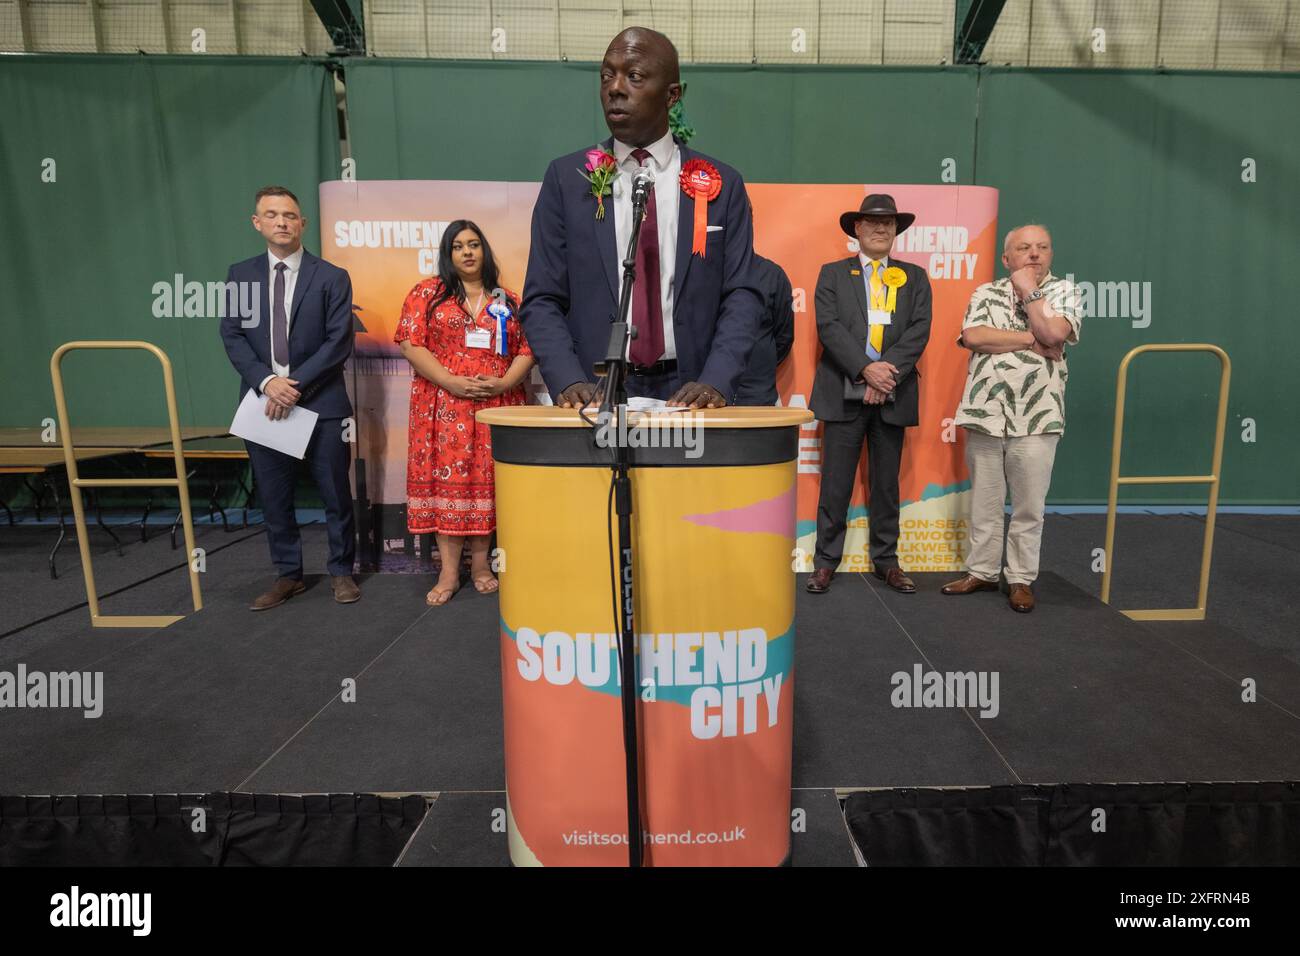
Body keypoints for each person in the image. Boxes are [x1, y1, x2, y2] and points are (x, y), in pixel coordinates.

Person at [522, 26, 762, 408]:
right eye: (606, 75)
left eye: (633, 76)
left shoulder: (722, 183)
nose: (615, 88)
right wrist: (568, 380)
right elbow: (541, 298)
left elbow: (744, 294)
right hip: (596, 393)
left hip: (690, 395)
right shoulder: (567, 179)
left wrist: (716, 380)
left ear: (672, 95)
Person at [221, 186, 359, 611]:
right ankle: (288, 575)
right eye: (272, 214)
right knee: (274, 496)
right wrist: (267, 382)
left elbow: (339, 342)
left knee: (336, 494)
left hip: (324, 405)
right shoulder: (239, 275)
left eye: (290, 215)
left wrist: (293, 385)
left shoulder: (332, 277)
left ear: (303, 223)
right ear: (256, 222)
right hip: (263, 406)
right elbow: (233, 335)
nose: (282, 221)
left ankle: (341, 572)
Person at [942, 224, 1082, 612]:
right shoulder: (985, 292)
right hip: (986, 413)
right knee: (985, 501)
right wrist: (1030, 341)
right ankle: (982, 571)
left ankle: (1020, 578)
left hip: (1038, 416)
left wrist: (1029, 291)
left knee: (1028, 507)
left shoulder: (1065, 292)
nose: (1034, 254)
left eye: (1042, 247)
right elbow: (973, 336)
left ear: (1051, 254)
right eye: (1024, 248)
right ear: (1007, 258)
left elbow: (1054, 332)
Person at [394, 221, 534, 606]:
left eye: (474, 245)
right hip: (442, 406)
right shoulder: (428, 292)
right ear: (448, 253)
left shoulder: (508, 299)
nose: (468, 252)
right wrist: (450, 380)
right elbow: (409, 342)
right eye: (458, 246)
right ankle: (449, 572)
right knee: (449, 487)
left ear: (484, 251)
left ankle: (482, 566)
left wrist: (505, 383)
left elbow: (528, 348)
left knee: (487, 485)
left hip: (497, 404)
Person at [806, 195, 933, 595]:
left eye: (889, 223)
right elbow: (830, 328)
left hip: (893, 391)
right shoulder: (832, 274)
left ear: (897, 230)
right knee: (836, 483)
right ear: (856, 229)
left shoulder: (914, 277)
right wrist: (866, 370)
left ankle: (887, 562)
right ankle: (825, 561)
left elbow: (919, 330)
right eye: (872, 222)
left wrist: (885, 376)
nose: (881, 228)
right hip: (843, 393)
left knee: (886, 484)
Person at [733, 253, 795, 406]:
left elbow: (783, 337)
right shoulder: (701, 274)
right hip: (706, 398)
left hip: (758, 396)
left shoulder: (772, 274)